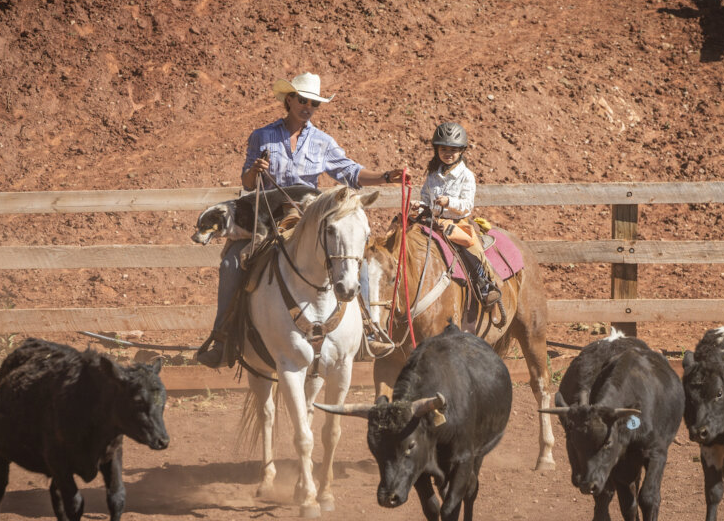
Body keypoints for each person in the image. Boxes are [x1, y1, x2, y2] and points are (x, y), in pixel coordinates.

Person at [197, 72, 407, 368]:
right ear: (289, 100)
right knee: (232, 262)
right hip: (269, 216)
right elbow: (246, 182)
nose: (308, 106)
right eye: (303, 100)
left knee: (352, 256)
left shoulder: (322, 142)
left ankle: (369, 329)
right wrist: (256, 170)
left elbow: (350, 171)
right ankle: (222, 338)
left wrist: (385, 177)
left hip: (309, 217)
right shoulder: (262, 136)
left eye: (314, 103)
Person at [419, 122, 501, 307]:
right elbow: (425, 196)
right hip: (433, 221)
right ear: (436, 149)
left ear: (462, 150)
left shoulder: (467, 176)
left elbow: (467, 206)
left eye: (453, 150)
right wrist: (420, 205)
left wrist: (449, 202)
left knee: (471, 248)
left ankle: (485, 284)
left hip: (457, 222)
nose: (448, 153)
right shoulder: (432, 174)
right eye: (444, 149)